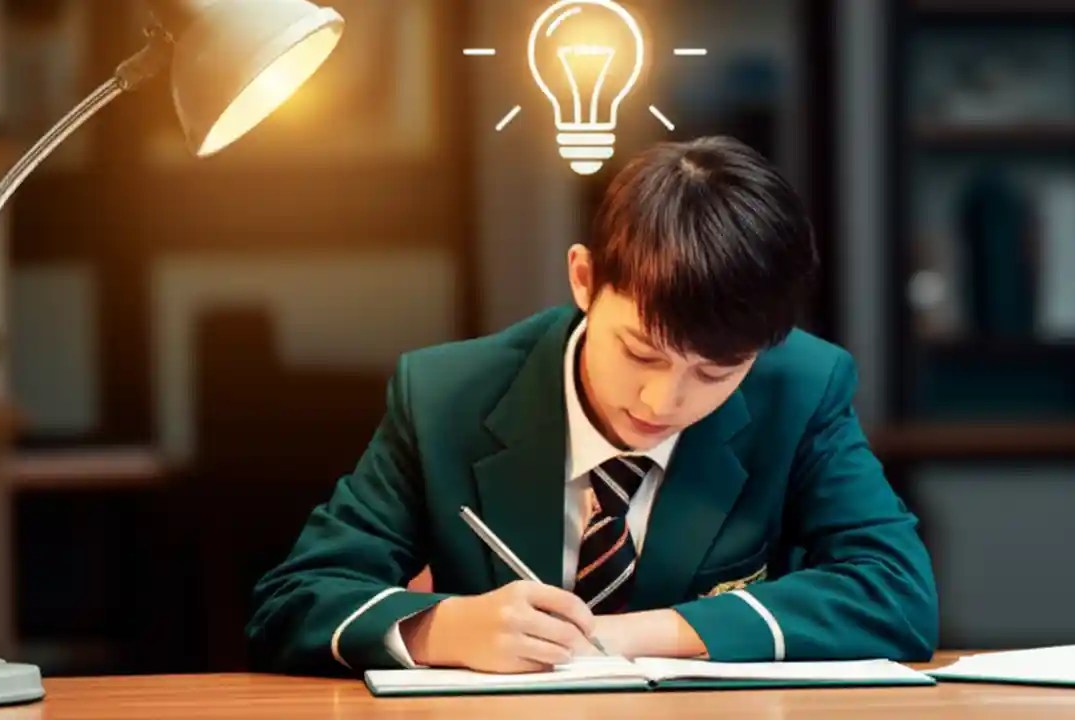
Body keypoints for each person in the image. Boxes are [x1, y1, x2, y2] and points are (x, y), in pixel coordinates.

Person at [246, 136, 938, 676]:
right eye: (640, 352)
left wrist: (635, 635)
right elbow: (294, 601)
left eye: (715, 372)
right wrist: (442, 630)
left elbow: (896, 593)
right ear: (584, 278)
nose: (663, 400)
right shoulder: (446, 396)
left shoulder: (801, 388)